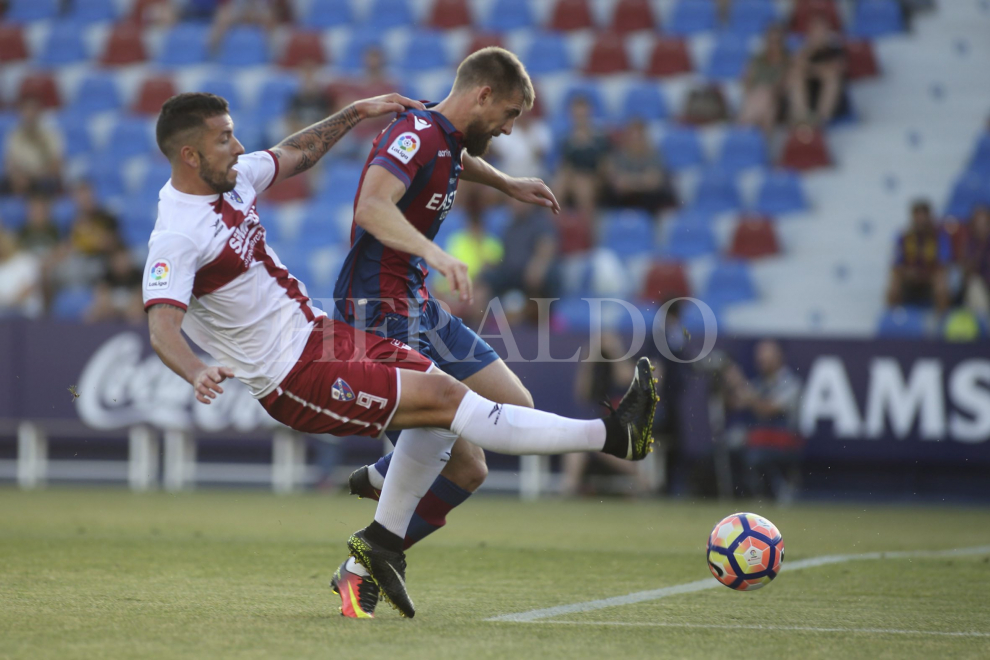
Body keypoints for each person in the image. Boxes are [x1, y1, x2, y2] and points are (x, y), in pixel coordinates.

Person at [144, 92, 658, 620]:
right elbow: (162, 327)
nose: (239, 146)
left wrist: (358, 110)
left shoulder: (235, 179)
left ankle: (380, 543)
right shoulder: (177, 235)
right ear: (190, 155)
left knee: (443, 411)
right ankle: (614, 435)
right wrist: (196, 368)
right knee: (448, 406)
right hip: (294, 376)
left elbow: (296, 151)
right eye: (225, 138)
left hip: (327, 337)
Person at [330, 47, 580, 617]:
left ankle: (375, 504)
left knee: (509, 414)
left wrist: (509, 184)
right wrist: (432, 252)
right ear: (483, 94)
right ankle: (365, 558)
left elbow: (457, 160)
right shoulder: (416, 130)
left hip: (417, 301)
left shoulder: (444, 137)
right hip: (379, 307)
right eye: (510, 114)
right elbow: (371, 207)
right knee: (461, 446)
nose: (511, 127)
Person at [560, 332, 654, 498]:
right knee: (579, 441)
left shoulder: (626, 356)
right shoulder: (594, 361)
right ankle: (569, 488)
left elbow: (625, 379)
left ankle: (643, 482)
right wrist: (589, 359)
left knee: (594, 441)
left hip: (627, 420)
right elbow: (582, 393)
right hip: (603, 421)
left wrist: (615, 351)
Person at [724, 340, 803, 503]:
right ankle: (745, 495)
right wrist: (727, 382)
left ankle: (773, 492)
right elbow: (734, 403)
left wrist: (742, 385)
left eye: (766, 356)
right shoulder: (759, 383)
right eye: (760, 356)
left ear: (778, 357)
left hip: (782, 441)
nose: (762, 360)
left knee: (754, 456)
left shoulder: (791, 383)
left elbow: (768, 409)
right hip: (759, 440)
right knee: (728, 448)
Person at [886, 199, 951, 313]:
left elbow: (943, 262)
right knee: (894, 280)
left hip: (931, 278)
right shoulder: (904, 237)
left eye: (923, 216)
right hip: (909, 277)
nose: (921, 220)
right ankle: (892, 318)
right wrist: (908, 272)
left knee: (941, 280)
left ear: (929, 217)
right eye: (918, 216)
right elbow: (896, 262)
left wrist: (926, 272)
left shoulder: (939, 237)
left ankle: (941, 320)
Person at [602, 119, 677, 214]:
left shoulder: (654, 155)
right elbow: (618, 183)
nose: (636, 141)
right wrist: (642, 181)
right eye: (633, 137)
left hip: (649, 202)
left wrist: (629, 182)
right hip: (623, 201)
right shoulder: (617, 156)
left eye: (639, 138)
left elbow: (653, 182)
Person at [552, 95, 610, 212]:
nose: (579, 118)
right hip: (572, 177)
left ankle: (587, 227)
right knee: (557, 187)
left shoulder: (599, 138)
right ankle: (553, 224)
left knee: (583, 187)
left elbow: (604, 167)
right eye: (576, 115)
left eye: (582, 115)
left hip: (593, 178)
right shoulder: (566, 139)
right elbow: (564, 166)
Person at [787, 16, 848, 126]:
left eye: (821, 30)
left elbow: (836, 69)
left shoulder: (835, 49)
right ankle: (802, 117)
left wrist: (810, 70)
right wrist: (811, 49)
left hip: (832, 100)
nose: (818, 33)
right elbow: (795, 66)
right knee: (795, 75)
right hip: (808, 94)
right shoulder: (804, 49)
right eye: (815, 30)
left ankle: (822, 120)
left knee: (830, 76)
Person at [2, 97, 63, 196]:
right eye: (26, 110)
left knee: (47, 184)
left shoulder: (51, 135)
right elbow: (10, 163)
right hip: (21, 178)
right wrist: (18, 176)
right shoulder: (14, 135)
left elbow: (55, 166)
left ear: (39, 113)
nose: (30, 114)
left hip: (42, 177)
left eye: (33, 110)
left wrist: (33, 177)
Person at [738, 24, 790, 135]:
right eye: (771, 41)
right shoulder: (757, 60)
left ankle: (742, 128)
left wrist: (768, 91)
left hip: (779, 102)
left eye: (777, 42)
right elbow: (747, 83)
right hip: (758, 100)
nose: (774, 45)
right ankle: (760, 145)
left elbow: (784, 87)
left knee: (766, 95)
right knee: (767, 109)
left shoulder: (788, 61)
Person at [961, 205, 990, 317]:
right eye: (978, 223)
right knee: (974, 284)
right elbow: (966, 272)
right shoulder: (969, 244)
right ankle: (984, 326)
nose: (982, 227)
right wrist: (981, 248)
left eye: (985, 223)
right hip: (982, 287)